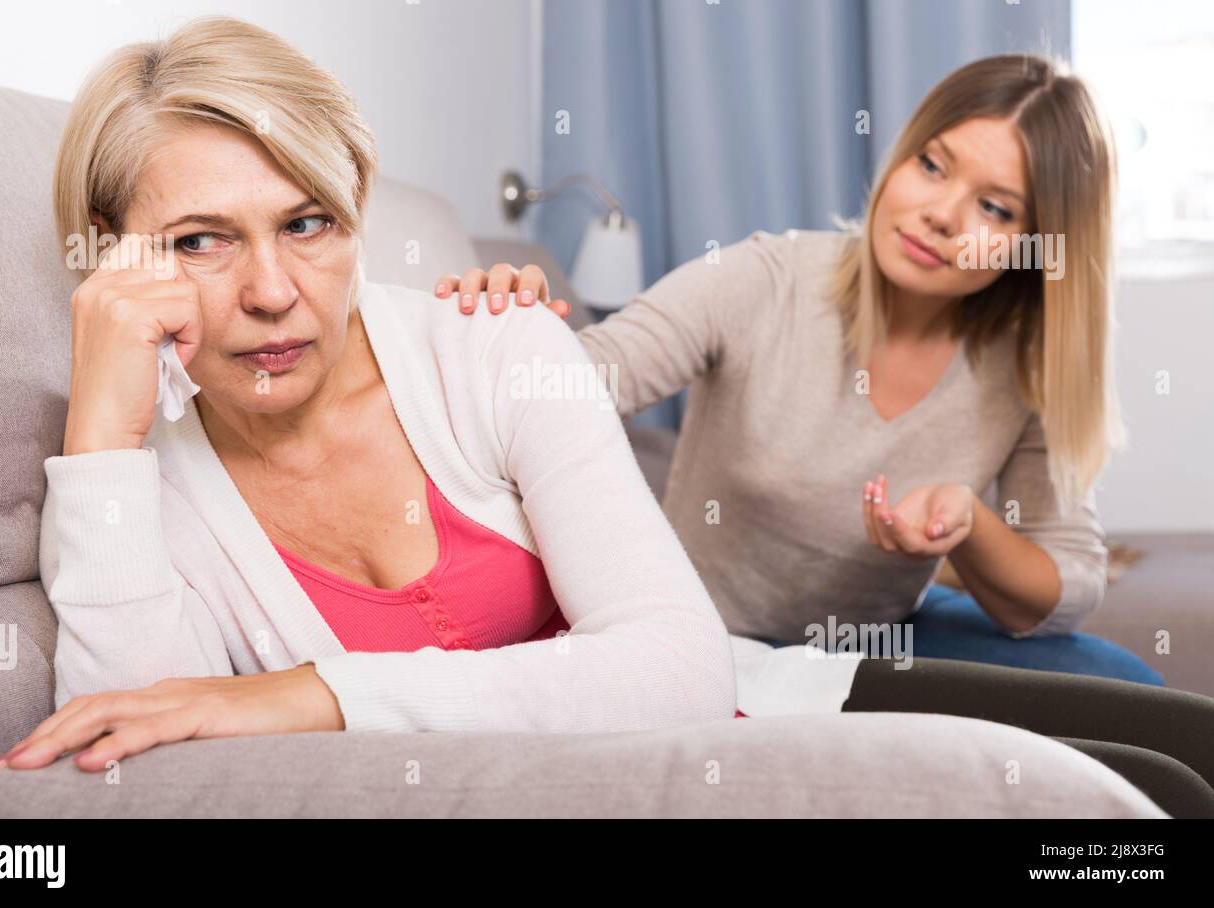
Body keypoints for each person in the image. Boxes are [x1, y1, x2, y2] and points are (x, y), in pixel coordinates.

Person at [433, 54, 1214, 816]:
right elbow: (589, 379)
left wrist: (970, 526)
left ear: (1035, 244)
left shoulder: (1024, 367)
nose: (941, 214)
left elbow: (1063, 588)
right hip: (715, 642)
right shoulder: (765, 279)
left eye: (996, 208)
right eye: (933, 166)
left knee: (1164, 720)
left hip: (872, 638)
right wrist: (512, 330)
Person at [0, 16, 738, 778]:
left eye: (307, 224)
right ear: (109, 250)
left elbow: (682, 672)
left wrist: (315, 697)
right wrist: (107, 443)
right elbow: (126, 768)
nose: (274, 294)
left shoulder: (496, 347)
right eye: (201, 241)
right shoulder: (116, 477)